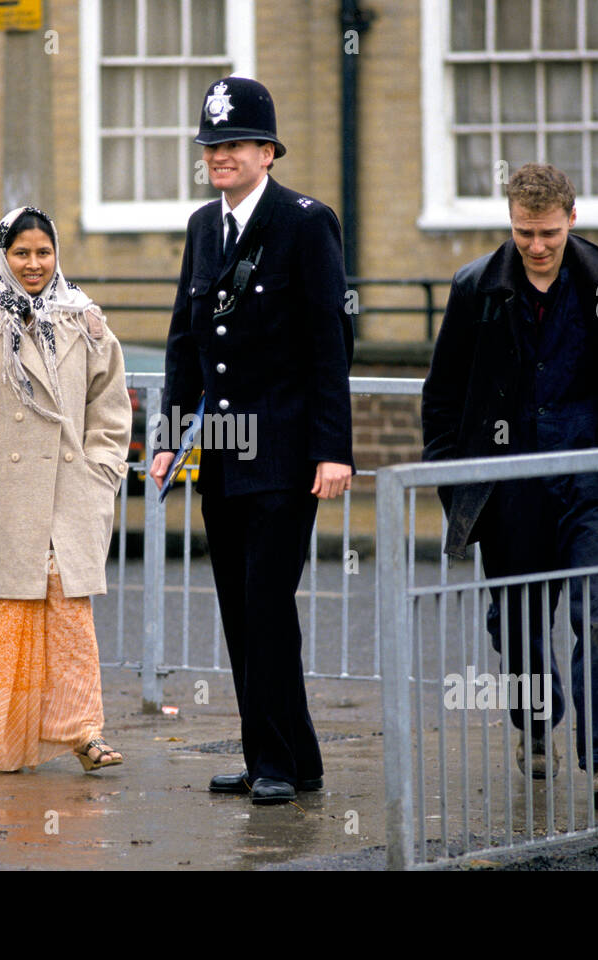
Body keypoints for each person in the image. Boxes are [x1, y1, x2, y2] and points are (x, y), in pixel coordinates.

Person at [420, 163, 598, 810]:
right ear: (509, 222)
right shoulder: (475, 286)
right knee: (519, 626)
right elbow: (443, 398)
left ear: (573, 219)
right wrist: (457, 488)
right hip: (509, 486)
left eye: (549, 233)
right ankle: (537, 724)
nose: (536, 246)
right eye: (523, 232)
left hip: (594, 479)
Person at [149, 76, 355, 805]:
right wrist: (173, 435)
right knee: (239, 606)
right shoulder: (205, 227)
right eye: (211, 146)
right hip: (223, 457)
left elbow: (330, 341)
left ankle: (276, 761)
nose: (220, 157)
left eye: (233, 145)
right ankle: (287, 753)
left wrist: (335, 448)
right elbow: (186, 341)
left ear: (267, 151)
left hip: (288, 455)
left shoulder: (305, 222)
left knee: (268, 602)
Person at [0, 206, 133, 775]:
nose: (34, 264)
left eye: (43, 252)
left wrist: (101, 470)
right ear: (2, 256)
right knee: (11, 626)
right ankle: (12, 748)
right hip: (3, 501)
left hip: (69, 494)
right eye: (22, 253)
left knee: (69, 619)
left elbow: (111, 407)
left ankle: (83, 732)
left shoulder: (83, 319)